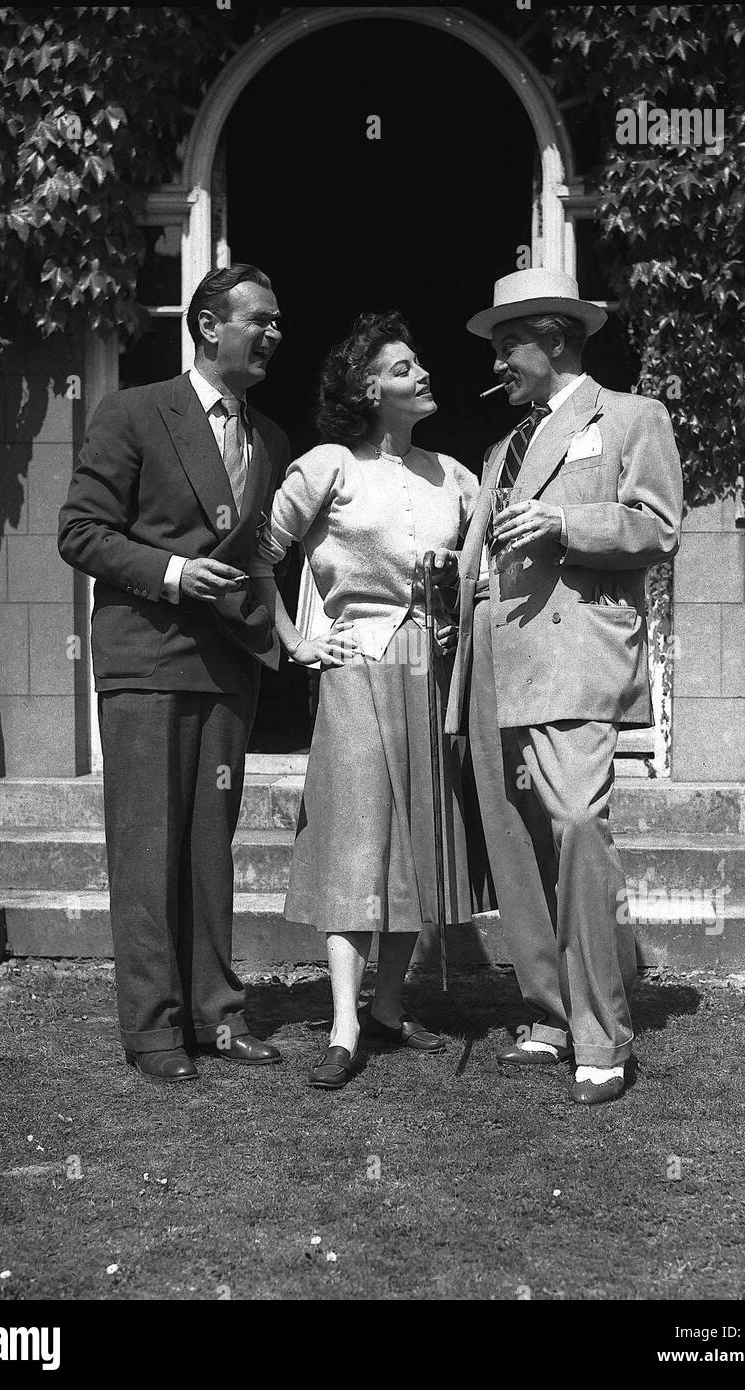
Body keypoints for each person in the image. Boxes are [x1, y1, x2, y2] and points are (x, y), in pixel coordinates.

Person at [446, 268, 683, 1105]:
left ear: (554, 340)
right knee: (516, 848)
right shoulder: (498, 449)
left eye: (509, 343)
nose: (499, 360)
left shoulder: (629, 417)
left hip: (572, 656)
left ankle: (603, 1036)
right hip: (491, 660)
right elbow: (479, 555)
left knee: (579, 827)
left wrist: (564, 522)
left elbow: (658, 525)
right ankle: (548, 1015)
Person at [58, 264, 289, 1083]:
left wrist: (285, 636)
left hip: (227, 669)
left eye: (275, 323)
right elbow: (80, 532)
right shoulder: (132, 412)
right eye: (257, 319)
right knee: (148, 851)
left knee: (209, 854)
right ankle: (153, 1033)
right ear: (205, 326)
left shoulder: (270, 440)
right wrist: (176, 575)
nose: (271, 334)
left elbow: (264, 562)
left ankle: (215, 1019)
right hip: (147, 663)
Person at [249, 311, 479, 1089]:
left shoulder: (456, 475)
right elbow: (257, 552)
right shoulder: (326, 468)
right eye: (404, 367)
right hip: (354, 671)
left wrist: (456, 628)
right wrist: (294, 640)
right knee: (354, 838)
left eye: (419, 364)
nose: (422, 375)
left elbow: (477, 576)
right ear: (367, 387)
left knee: (418, 838)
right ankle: (344, 1022)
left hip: (432, 677)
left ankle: (388, 1006)